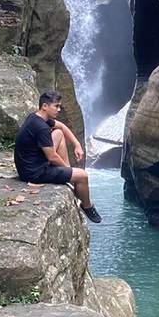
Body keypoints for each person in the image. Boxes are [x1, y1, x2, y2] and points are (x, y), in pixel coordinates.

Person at [14, 91, 101, 223]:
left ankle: (66, 175)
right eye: (56, 106)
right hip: (34, 173)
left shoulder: (35, 117)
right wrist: (69, 172)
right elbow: (52, 157)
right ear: (45, 106)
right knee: (82, 176)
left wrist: (77, 144)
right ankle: (87, 206)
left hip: (30, 165)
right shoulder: (41, 128)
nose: (59, 110)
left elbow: (61, 126)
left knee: (58, 133)